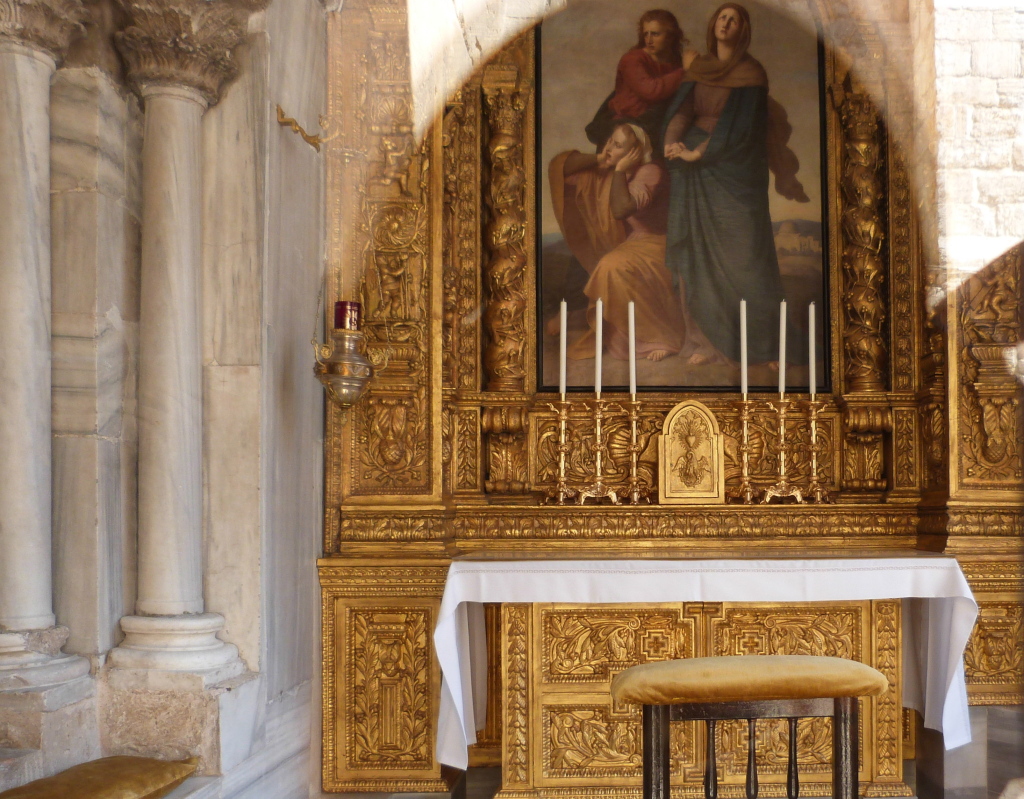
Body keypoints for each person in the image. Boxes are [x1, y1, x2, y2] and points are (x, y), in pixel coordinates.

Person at [662, 2, 809, 366]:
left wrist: (700, 152)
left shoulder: (751, 73)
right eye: (722, 18)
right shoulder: (700, 68)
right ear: (714, 25)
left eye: (734, 20)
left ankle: (770, 345)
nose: (726, 24)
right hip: (695, 174)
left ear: (743, 31)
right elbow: (683, 110)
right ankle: (707, 342)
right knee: (697, 255)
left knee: (747, 259)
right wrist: (671, 141)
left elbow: (742, 127)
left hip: (736, 169)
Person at [550, 123, 685, 363]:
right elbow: (560, 168)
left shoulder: (649, 171)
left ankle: (663, 337)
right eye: (610, 141)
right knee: (611, 268)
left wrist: (620, 170)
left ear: (636, 152)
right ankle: (639, 335)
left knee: (612, 265)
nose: (610, 147)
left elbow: (622, 208)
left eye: (618, 145)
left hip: (658, 244)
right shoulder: (607, 169)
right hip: (635, 243)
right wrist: (600, 157)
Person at [585, 10, 699, 158]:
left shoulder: (674, 62)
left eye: (655, 34)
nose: (649, 39)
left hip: (655, 125)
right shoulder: (633, 59)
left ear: (671, 37)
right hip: (627, 127)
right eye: (646, 34)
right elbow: (651, 91)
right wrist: (685, 71)